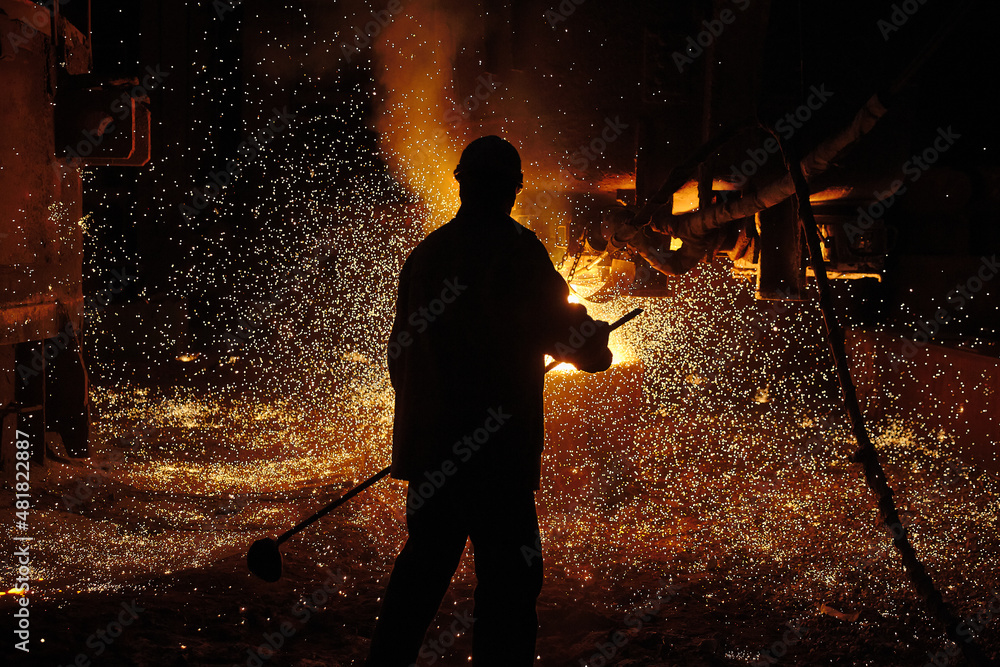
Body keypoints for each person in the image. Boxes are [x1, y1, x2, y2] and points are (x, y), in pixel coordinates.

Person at [366, 136, 612, 666]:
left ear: (461, 182)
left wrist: (424, 425)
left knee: (419, 578)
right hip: (498, 461)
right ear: (515, 188)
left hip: (433, 456)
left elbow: (398, 357)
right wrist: (595, 340)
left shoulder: (426, 256)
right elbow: (573, 340)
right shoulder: (518, 252)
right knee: (509, 589)